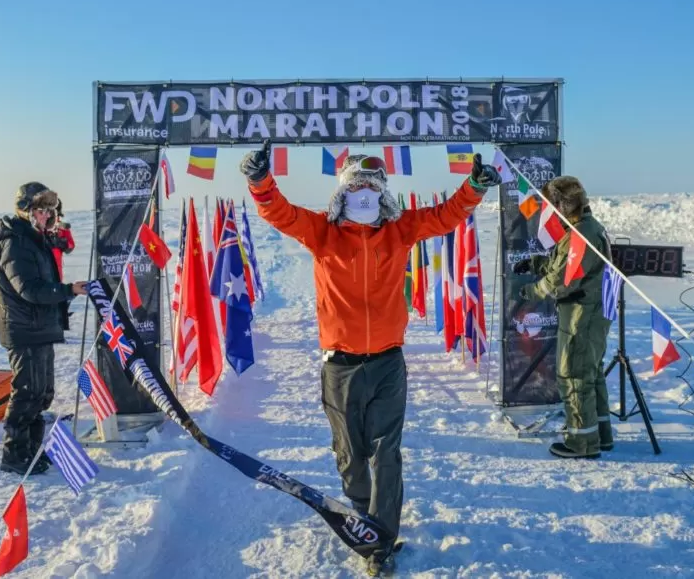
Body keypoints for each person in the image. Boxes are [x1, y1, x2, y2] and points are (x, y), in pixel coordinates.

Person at [240, 139, 501, 575]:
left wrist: (473, 186)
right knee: (350, 454)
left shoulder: (399, 230)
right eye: (356, 188)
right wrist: (259, 179)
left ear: (384, 193)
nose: (365, 196)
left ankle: (379, 539)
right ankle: (361, 512)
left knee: (386, 454)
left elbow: (445, 216)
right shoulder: (321, 232)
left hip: (386, 363)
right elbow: (278, 212)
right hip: (338, 365)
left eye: (372, 188)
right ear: (342, 193)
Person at [0, 182, 88, 475]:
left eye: (49, 210)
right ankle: (14, 454)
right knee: (27, 392)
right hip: (23, 328)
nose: (46, 215)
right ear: (25, 211)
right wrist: (68, 290)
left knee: (42, 393)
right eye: (40, 210)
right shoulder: (14, 243)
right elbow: (29, 289)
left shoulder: (35, 239)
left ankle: (31, 450)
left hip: (40, 325)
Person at [513, 175, 613, 459]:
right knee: (590, 374)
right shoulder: (584, 229)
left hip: (581, 314)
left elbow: (563, 280)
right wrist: (536, 262)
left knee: (573, 375)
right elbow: (566, 263)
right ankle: (599, 436)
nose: (550, 211)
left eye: (552, 205)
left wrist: (531, 292)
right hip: (589, 312)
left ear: (564, 205)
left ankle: (581, 443)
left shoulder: (581, 234)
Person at [47, 199, 75, 281]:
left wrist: (62, 243)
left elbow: (71, 246)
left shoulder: (62, 227)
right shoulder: (39, 225)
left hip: (57, 269)